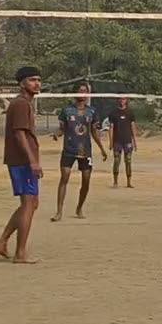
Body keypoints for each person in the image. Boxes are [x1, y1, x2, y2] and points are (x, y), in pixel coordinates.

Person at [0, 67, 43, 264]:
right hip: (22, 161)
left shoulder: (25, 103)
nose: (37, 83)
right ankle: (20, 253)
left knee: (31, 203)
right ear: (22, 83)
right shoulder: (21, 104)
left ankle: (2, 242)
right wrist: (32, 162)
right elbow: (20, 134)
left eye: (38, 80)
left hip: (23, 161)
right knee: (29, 203)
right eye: (32, 80)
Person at [51, 84, 107, 222]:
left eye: (85, 91)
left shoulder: (92, 111)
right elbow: (62, 129)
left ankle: (79, 207)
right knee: (65, 177)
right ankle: (59, 211)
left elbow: (94, 131)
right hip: (69, 149)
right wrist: (57, 134)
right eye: (80, 91)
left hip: (85, 151)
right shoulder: (67, 111)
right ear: (75, 93)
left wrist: (102, 148)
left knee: (86, 180)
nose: (83, 93)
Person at [108, 96, 138, 189]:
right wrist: (111, 141)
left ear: (127, 100)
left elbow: (132, 126)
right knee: (117, 160)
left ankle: (129, 182)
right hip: (117, 140)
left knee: (128, 161)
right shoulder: (113, 113)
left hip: (127, 140)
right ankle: (115, 182)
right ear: (117, 100)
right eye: (120, 99)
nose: (122, 101)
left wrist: (135, 141)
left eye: (124, 99)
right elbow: (111, 128)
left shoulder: (130, 112)